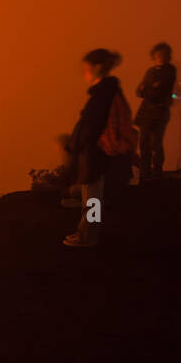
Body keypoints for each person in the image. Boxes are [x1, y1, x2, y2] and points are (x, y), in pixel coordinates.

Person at [62, 48, 124, 247]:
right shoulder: (105, 92)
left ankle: (88, 236)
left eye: (87, 68)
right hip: (95, 152)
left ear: (97, 68)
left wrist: (75, 143)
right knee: (92, 194)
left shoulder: (102, 95)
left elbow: (92, 126)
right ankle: (87, 232)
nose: (85, 73)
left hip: (96, 152)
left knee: (94, 198)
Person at [134, 42, 176, 181]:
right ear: (154, 56)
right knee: (144, 142)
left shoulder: (169, 70)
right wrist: (149, 88)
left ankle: (157, 171)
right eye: (158, 55)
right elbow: (139, 91)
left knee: (156, 143)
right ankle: (145, 172)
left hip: (159, 111)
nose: (161, 57)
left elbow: (157, 91)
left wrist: (147, 89)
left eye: (164, 55)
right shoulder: (150, 71)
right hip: (146, 111)